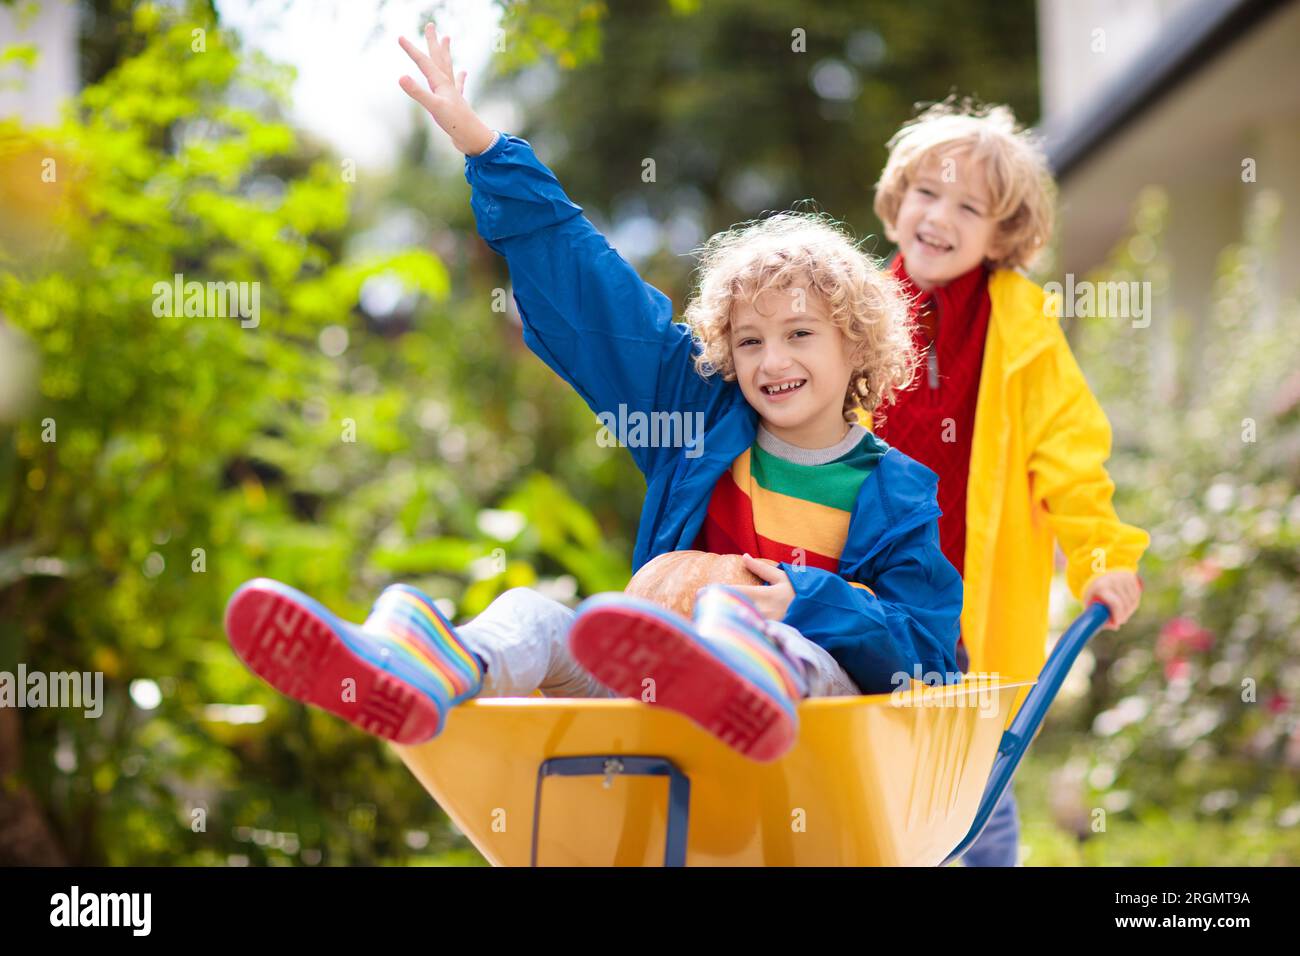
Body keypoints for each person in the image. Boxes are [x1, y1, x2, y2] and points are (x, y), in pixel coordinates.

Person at [223, 22, 963, 764]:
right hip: (655, 693)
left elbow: (926, 651)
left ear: (857, 346)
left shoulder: (896, 494)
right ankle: (422, 664)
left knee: (800, 652)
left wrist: (801, 603)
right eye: (748, 341)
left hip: (805, 730)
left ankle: (749, 669)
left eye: (800, 334)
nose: (771, 360)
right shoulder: (697, 418)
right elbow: (600, 297)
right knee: (533, 616)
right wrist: (488, 151)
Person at [867, 98, 1151, 862]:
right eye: (928, 192)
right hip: (862, 600)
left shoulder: (1024, 328)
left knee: (973, 791)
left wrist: (1100, 557)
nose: (940, 216)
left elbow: (1070, 452)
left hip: (971, 611)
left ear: (1001, 234)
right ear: (897, 203)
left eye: (970, 206)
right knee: (871, 789)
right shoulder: (850, 312)